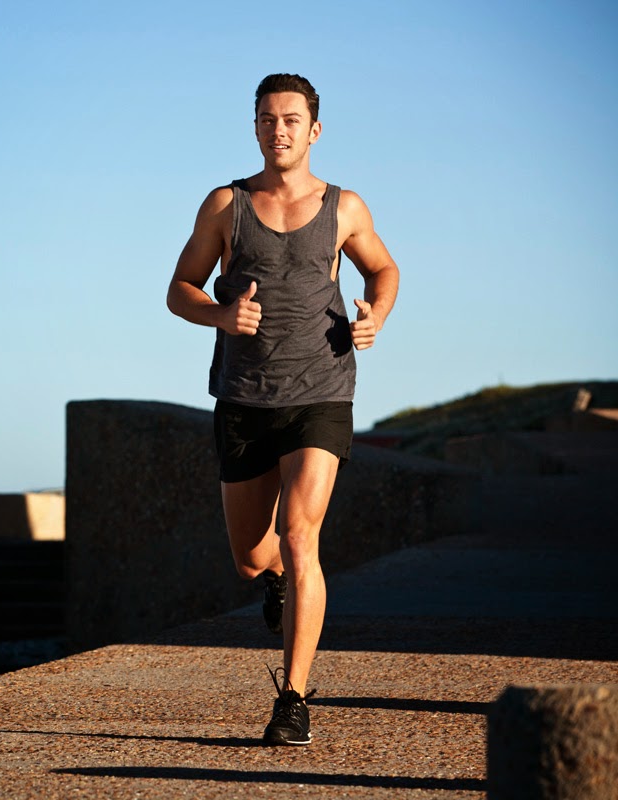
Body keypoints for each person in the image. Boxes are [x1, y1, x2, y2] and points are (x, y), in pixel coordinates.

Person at [166, 73, 399, 746]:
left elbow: (383, 271)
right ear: (256, 127)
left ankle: (293, 699)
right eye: (267, 119)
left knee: (302, 537)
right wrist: (218, 312)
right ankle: (275, 581)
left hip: (321, 393)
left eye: (291, 120)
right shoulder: (226, 205)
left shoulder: (344, 207)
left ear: (314, 130)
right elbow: (179, 289)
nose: (279, 130)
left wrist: (373, 317)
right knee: (252, 556)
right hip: (244, 397)